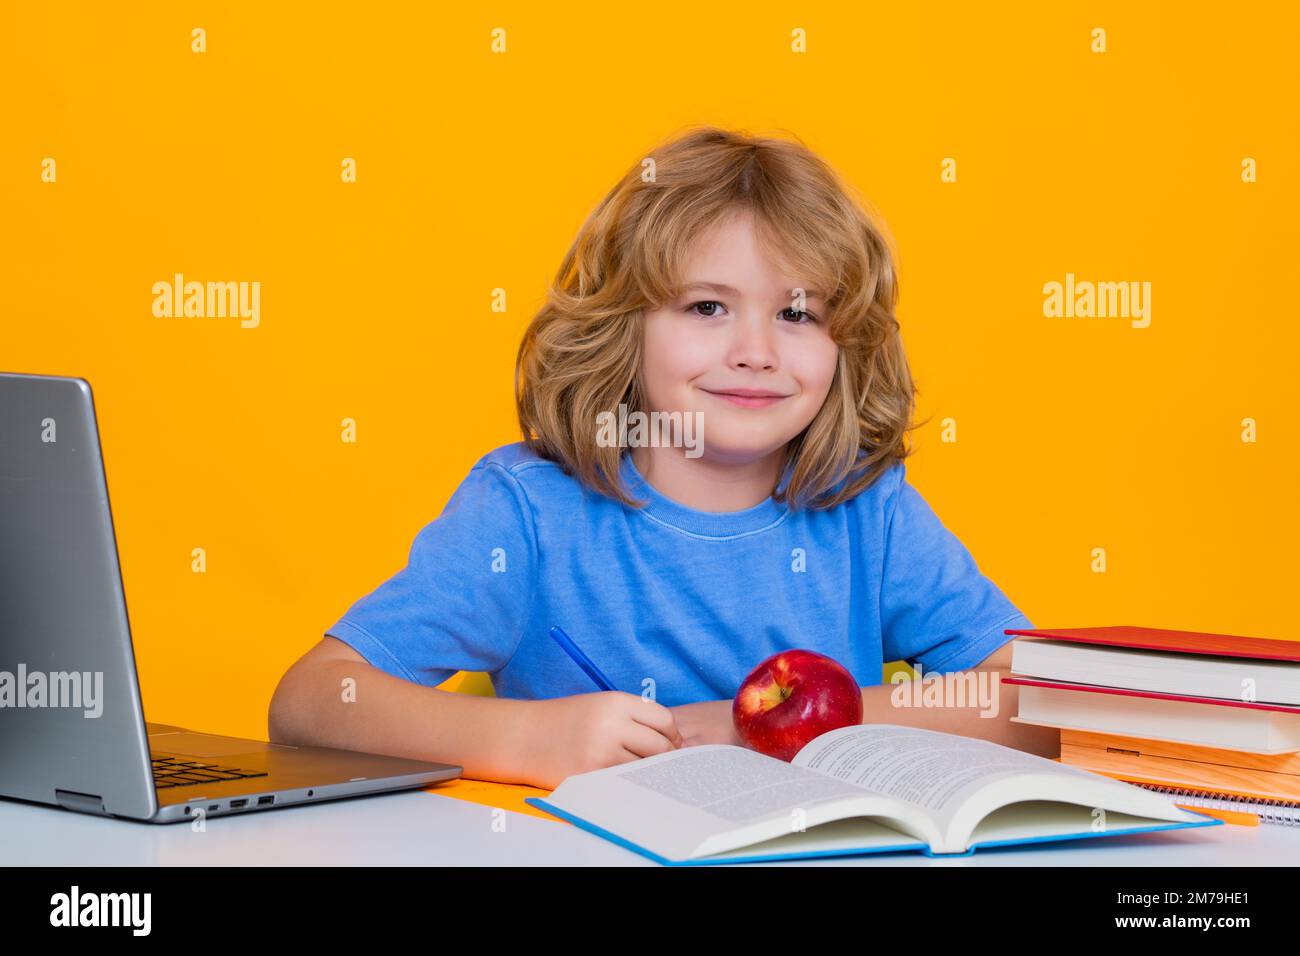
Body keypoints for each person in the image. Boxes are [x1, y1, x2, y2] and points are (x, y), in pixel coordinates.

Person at [269, 126, 1053, 791]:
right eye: (707, 307)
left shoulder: (864, 507)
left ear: (843, 344)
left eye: (798, 313)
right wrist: (526, 740)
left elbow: (1034, 701)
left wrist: (763, 727)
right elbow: (309, 703)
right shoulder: (529, 510)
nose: (755, 352)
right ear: (623, 326)